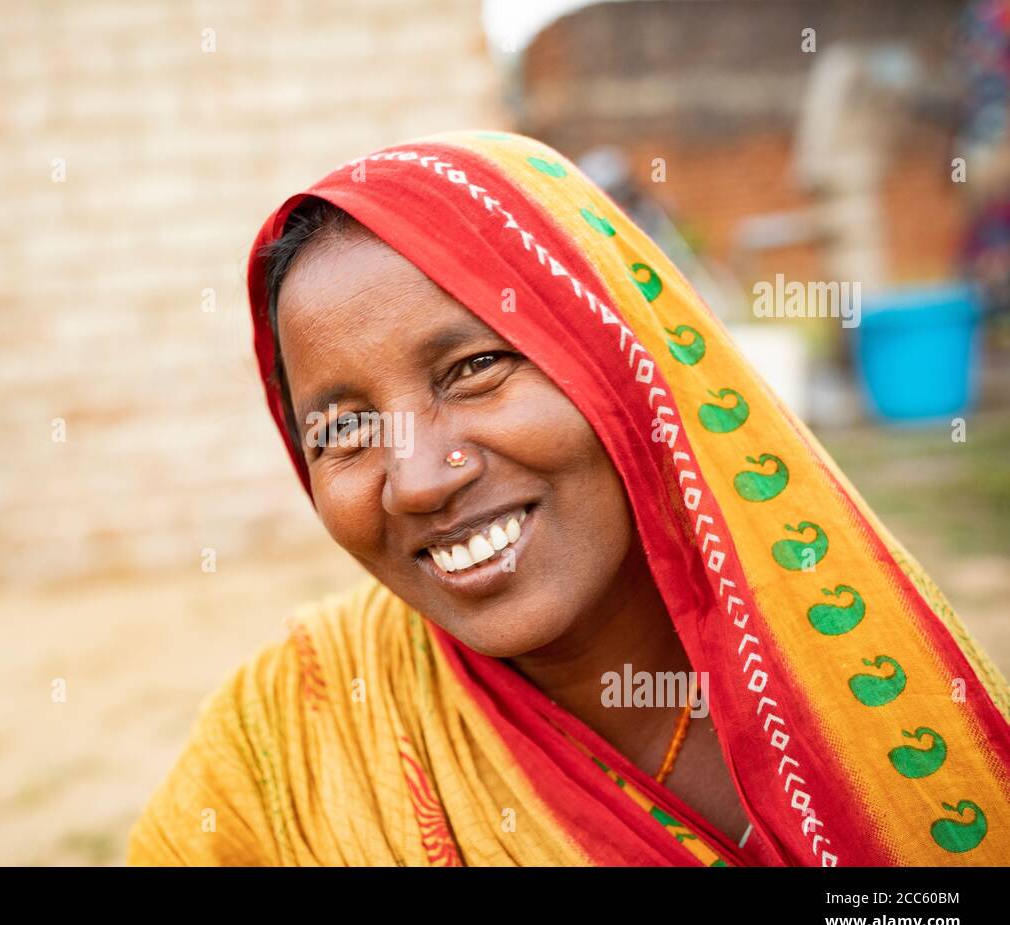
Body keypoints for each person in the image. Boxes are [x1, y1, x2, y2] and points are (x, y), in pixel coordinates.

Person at [127, 130, 1010, 866]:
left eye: (473, 369)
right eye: (342, 430)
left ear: (620, 359)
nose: (422, 477)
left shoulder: (853, 648)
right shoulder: (286, 744)